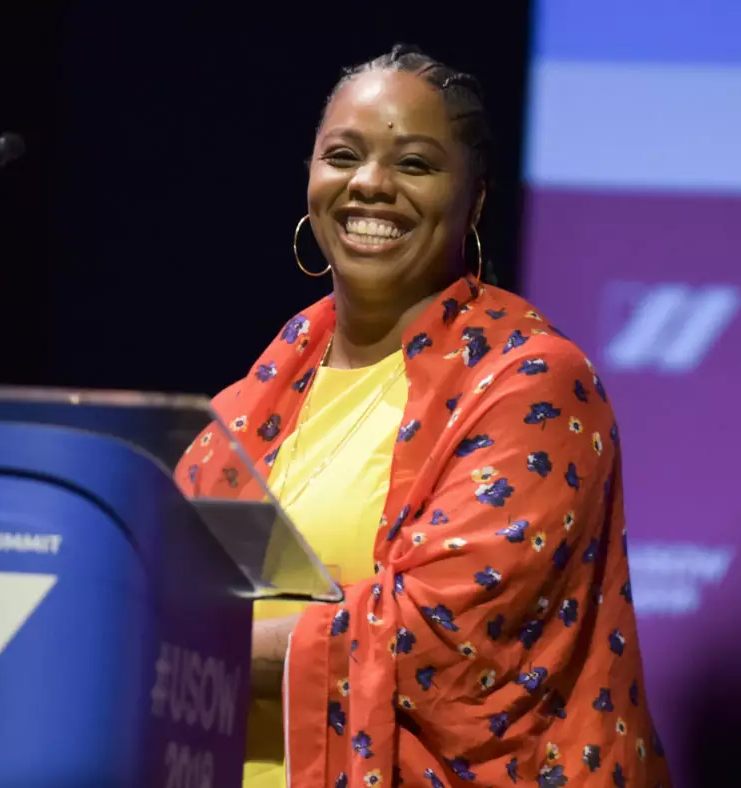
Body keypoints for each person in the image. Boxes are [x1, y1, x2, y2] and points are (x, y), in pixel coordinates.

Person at [176, 44, 670, 788]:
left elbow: (438, 636)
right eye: (343, 155)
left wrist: (173, 640)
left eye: (413, 164)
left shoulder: (532, 385)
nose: (370, 185)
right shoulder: (254, 400)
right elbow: (157, 570)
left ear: (473, 199)